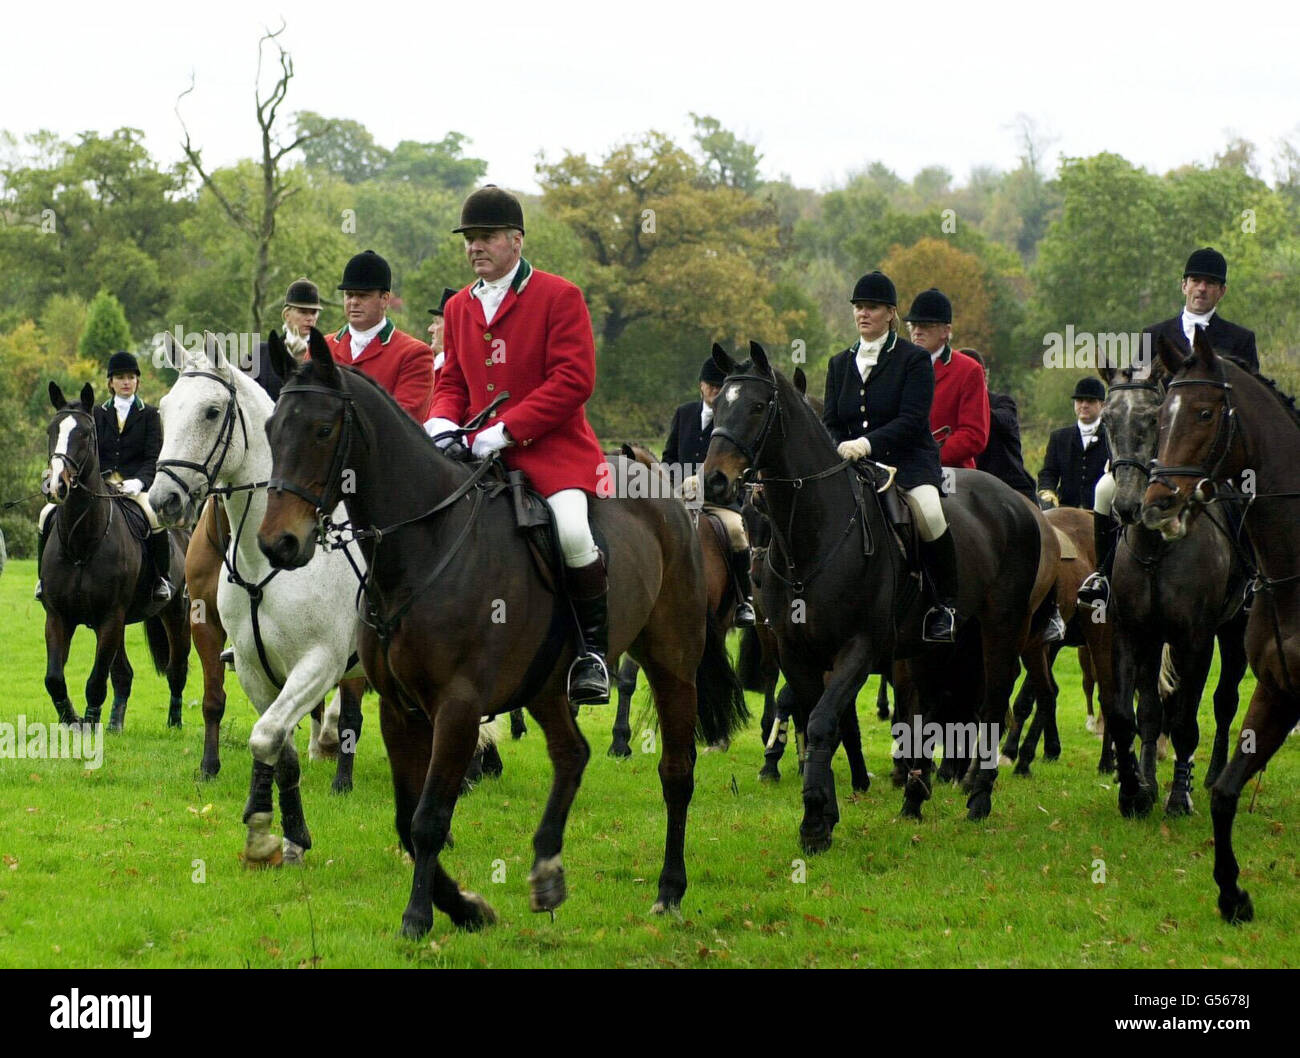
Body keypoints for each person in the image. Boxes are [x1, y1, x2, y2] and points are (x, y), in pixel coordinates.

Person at [423, 185, 612, 703]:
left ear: (516, 241)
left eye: (485, 238)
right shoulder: (461, 306)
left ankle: (592, 651)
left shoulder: (559, 295)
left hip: (552, 450)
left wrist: (506, 431)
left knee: (573, 532)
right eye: (469, 240)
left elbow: (574, 381)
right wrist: (440, 422)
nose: (474, 247)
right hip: (474, 450)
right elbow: (453, 381)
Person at [1079, 246, 1256, 606]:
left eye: (1210, 283)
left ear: (1221, 291)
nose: (1201, 288)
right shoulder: (1153, 335)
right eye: (1195, 281)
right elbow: (1135, 398)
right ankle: (1103, 573)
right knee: (1102, 491)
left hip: (1213, 456)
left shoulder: (1240, 340)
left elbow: (1246, 402)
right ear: (1183, 285)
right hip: (1154, 458)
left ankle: (1253, 578)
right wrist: (1123, 454)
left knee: (1248, 495)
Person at [823, 270, 957, 643]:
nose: (863, 314)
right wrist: (838, 447)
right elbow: (831, 420)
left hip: (908, 463)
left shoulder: (913, 360)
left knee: (929, 513)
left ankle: (943, 606)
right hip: (852, 466)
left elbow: (914, 421)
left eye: (872, 308)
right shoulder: (838, 363)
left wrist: (865, 443)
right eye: (858, 307)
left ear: (891, 314)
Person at [35, 351, 171, 603]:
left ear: (137, 382)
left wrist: (139, 482)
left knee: (154, 517)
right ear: (110, 383)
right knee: (46, 515)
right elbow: (86, 450)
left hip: (135, 486)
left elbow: (153, 457)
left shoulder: (150, 415)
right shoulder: (95, 414)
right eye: (120, 377)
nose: (126, 382)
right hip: (99, 485)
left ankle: (160, 580)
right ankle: (43, 580)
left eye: (131, 377)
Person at [665, 356, 756, 626]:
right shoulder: (684, 414)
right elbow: (669, 457)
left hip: (720, 501)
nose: (715, 390)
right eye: (710, 384)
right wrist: (681, 480)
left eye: (720, 385)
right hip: (682, 496)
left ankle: (744, 601)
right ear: (701, 386)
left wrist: (704, 482)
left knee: (737, 531)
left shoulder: (732, 416)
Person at [326, 250, 434, 422]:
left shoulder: (414, 353)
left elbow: (403, 422)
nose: (353, 301)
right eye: (349, 294)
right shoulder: (323, 347)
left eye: (363, 295)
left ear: (384, 299)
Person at [903, 288, 989, 469]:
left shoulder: (968, 370)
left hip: (949, 470)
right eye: (913, 325)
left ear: (945, 331)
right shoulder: (897, 366)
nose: (917, 331)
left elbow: (974, 435)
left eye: (926, 326)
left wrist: (928, 454)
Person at [962, 349, 1036, 501]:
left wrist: (971, 409)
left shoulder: (1003, 403)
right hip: (968, 489)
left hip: (1011, 488)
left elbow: (1004, 420)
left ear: (984, 378)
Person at [1037, 377, 1110, 512]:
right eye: (1079, 400)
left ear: (1102, 405)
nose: (1084, 405)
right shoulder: (1059, 437)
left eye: (1090, 401)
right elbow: (1049, 472)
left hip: (1101, 512)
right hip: (1065, 509)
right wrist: (1047, 492)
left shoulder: (1111, 437)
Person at [253, 278, 324, 400]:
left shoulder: (324, 354)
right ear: (287, 315)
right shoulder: (261, 352)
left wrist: (303, 360)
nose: (310, 318)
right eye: (303, 312)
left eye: (313, 312)